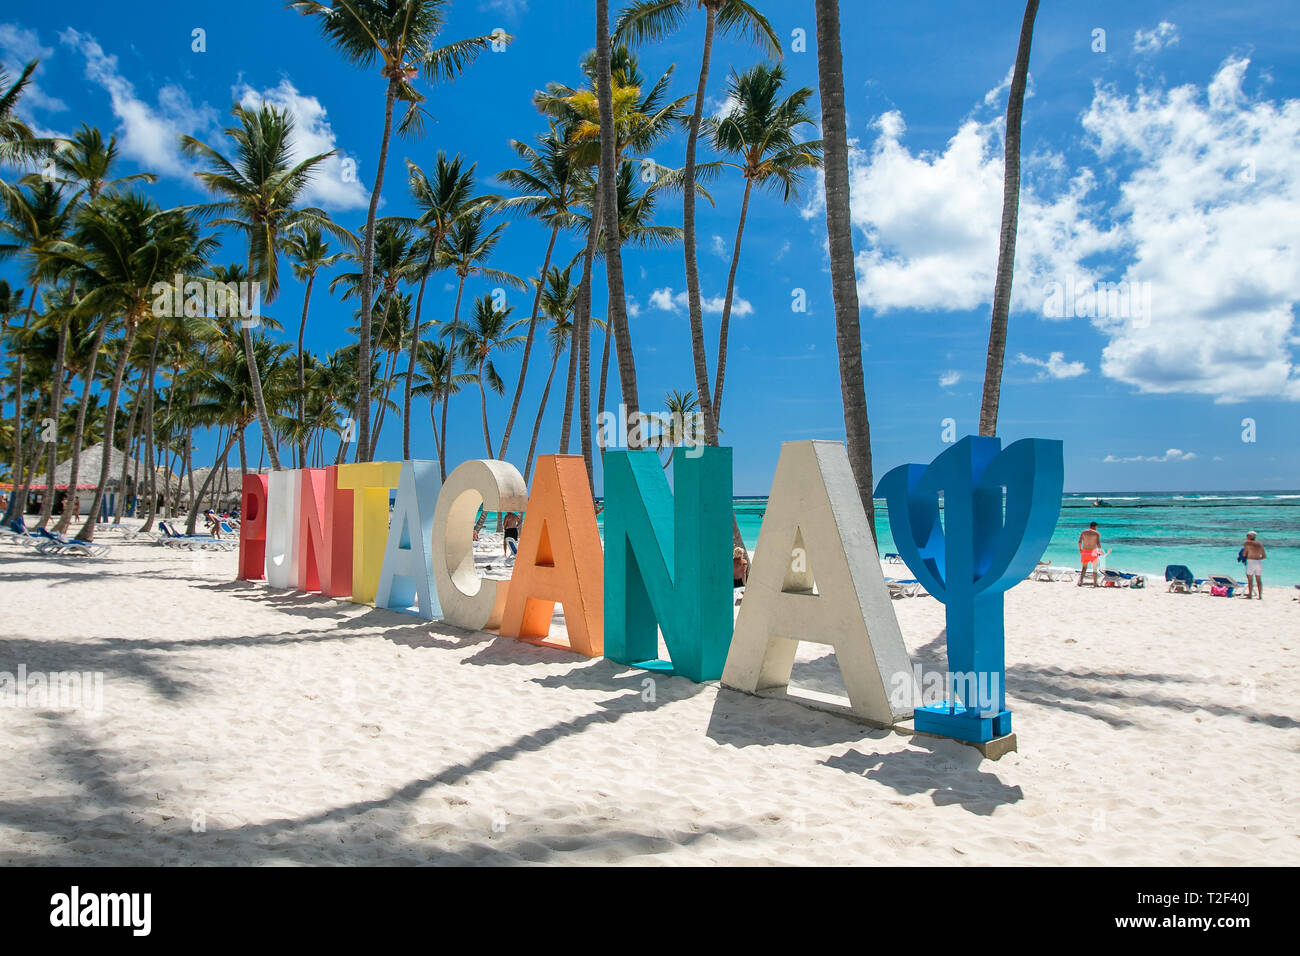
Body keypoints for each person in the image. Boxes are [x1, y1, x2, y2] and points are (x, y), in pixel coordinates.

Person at [1242, 531, 1266, 599]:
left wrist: (1243, 556)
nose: (1246, 537)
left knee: (1250, 580)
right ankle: (1260, 596)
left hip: (1251, 562)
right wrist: (1257, 558)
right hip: (1259, 562)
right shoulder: (1260, 544)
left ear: (1250, 536)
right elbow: (1264, 556)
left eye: (1247, 535)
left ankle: (1250, 595)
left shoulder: (1247, 543)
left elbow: (1244, 554)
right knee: (1258, 580)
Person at [1078, 521, 1102, 587]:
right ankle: (1095, 583)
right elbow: (1098, 544)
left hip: (1085, 552)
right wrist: (1100, 551)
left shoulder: (1083, 532)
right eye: (1097, 527)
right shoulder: (1097, 533)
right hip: (1093, 553)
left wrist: (1080, 549)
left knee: (1084, 568)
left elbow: (1079, 542)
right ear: (1094, 526)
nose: (1097, 528)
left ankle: (1080, 582)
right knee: (1094, 569)